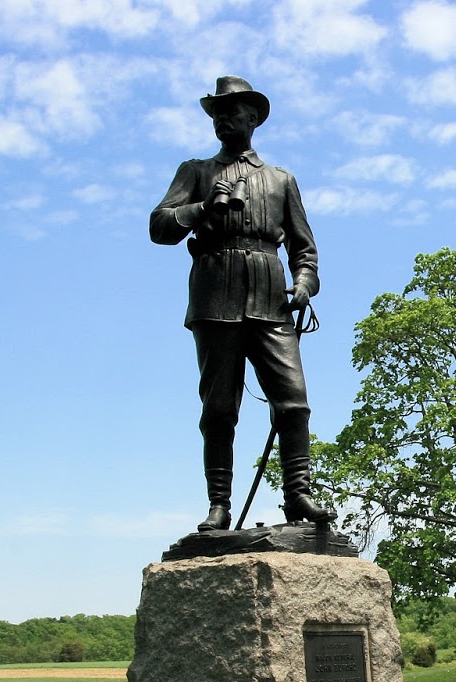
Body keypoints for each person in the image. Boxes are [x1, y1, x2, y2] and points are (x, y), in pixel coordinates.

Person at [149, 76, 330, 530]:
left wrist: (303, 284)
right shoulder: (195, 172)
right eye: (217, 113)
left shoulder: (281, 180)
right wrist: (200, 209)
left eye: (231, 111)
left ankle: (298, 494)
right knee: (219, 409)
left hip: (271, 300)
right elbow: (159, 227)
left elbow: (304, 250)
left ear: (253, 118)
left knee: (293, 403)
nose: (222, 119)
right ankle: (219, 503)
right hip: (215, 296)